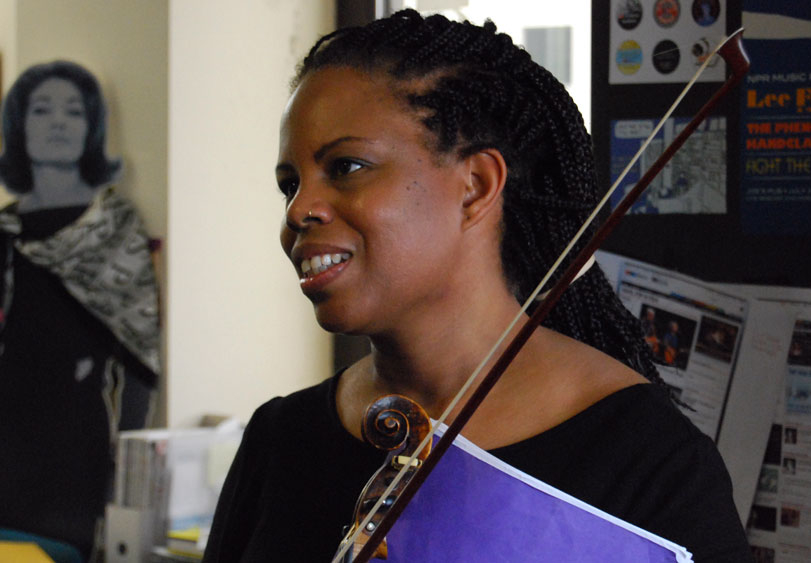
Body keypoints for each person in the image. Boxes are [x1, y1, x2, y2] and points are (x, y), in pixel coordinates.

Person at [203, 10, 751, 562]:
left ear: (475, 187)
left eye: (346, 166)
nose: (300, 210)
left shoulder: (650, 461)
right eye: (289, 185)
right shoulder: (281, 438)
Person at [0, 61, 160, 560]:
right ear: (18, 127)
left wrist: (123, 474)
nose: (56, 123)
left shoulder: (112, 229)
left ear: (92, 127)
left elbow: (139, 367)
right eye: (40, 110)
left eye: (73, 111)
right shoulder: (4, 228)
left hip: (70, 453)